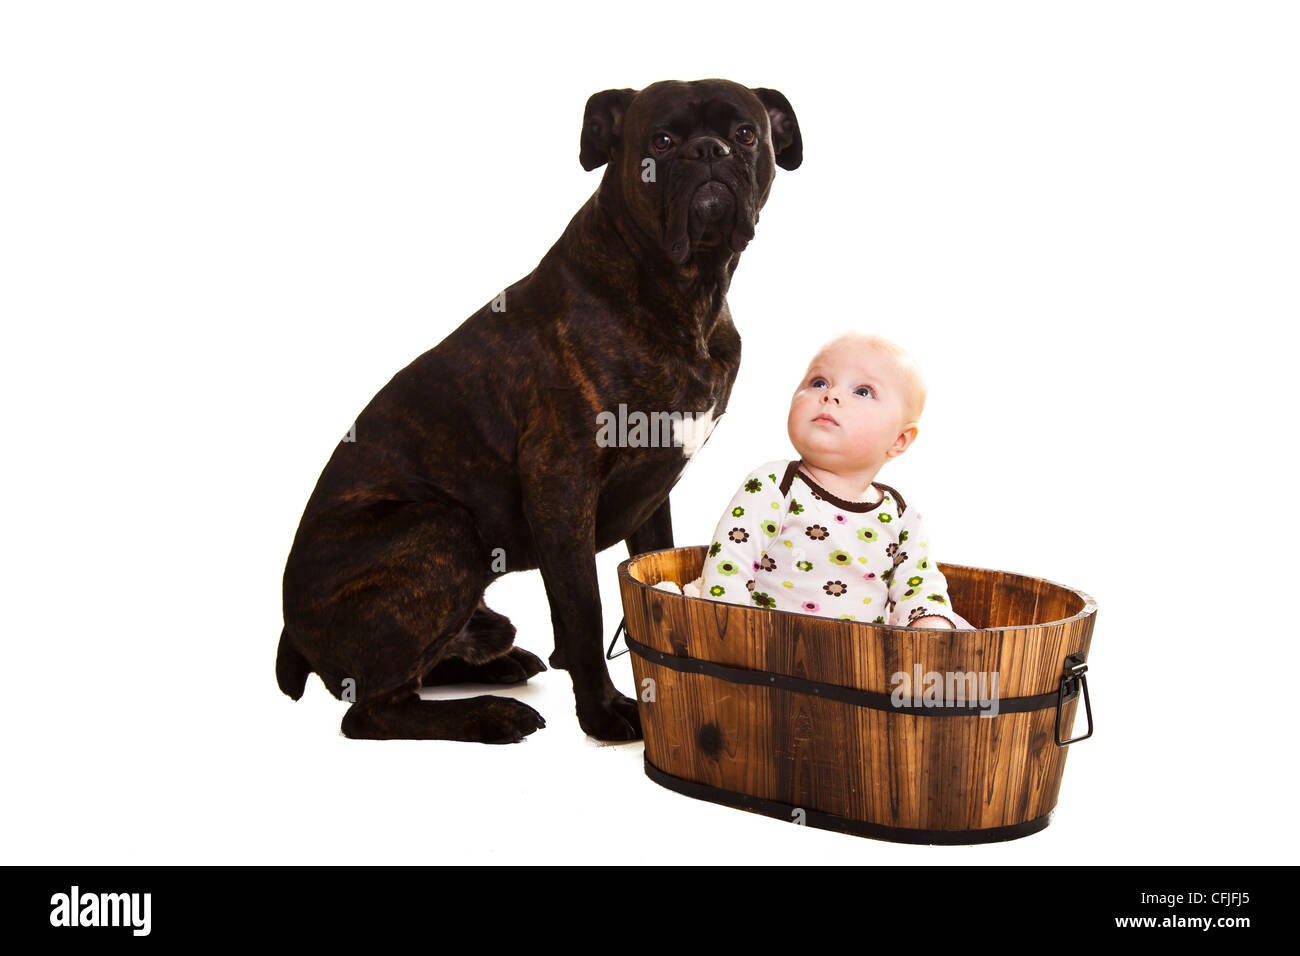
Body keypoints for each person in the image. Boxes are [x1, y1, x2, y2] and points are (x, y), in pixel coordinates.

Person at [660, 332, 972, 629]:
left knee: (948, 625)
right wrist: (732, 633)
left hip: (860, 659)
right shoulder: (775, 485)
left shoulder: (899, 513)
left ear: (899, 440)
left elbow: (920, 583)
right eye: (819, 382)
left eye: (863, 391)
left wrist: (930, 623)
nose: (830, 395)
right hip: (774, 651)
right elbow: (729, 567)